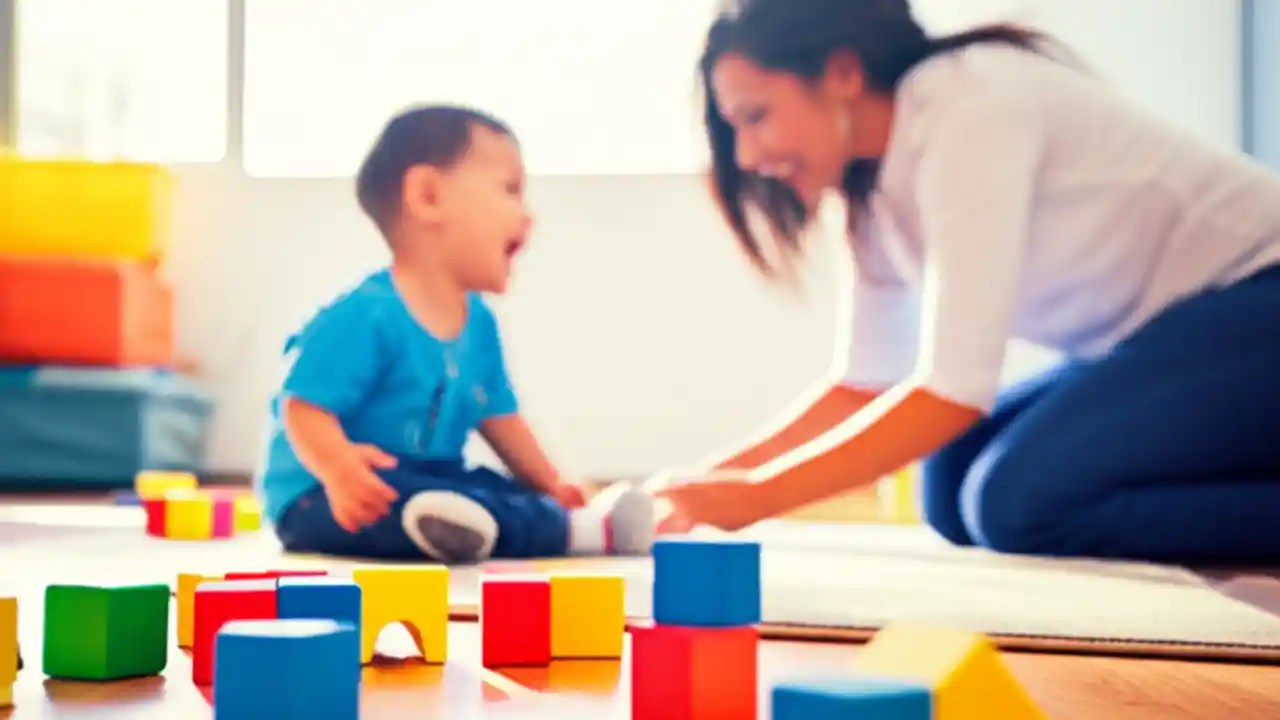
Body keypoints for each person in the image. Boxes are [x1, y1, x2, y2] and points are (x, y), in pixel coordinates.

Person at [650, 0, 1280, 565]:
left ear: (842, 73)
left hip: (1258, 296)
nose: (747, 157)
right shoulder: (871, 183)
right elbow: (865, 383)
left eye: (755, 116)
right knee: (949, 488)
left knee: (1015, 502)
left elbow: (955, 388)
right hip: (1158, 336)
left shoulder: (969, 104)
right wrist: (704, 482)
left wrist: (759, 497)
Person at [255, 105, 654, 563]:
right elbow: (302, 406)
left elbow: (502, 420)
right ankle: (534, 529)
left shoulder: (479, 323)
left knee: (489, 488)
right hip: (330, 492)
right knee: (407, 500)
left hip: (435, 477)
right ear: (428, 196)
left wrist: (553, 483)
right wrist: (339, 468)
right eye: (510, 190)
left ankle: (573, 525)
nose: (528, 217)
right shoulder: (366, 314)